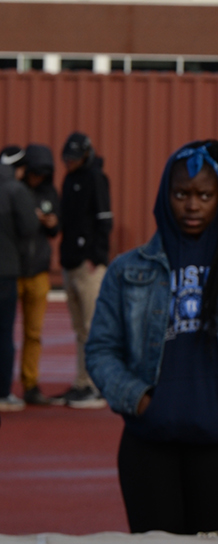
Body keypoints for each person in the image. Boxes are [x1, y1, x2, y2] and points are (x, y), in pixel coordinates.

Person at [85, 137, 218, 534]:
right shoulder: (127, 271)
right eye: (181, 194)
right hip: (148, 442)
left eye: (205, 195)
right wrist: (139, 400)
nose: (192, 205)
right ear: (165, 193)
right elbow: (101, 350)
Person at [58, 131, 112, 409]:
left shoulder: (96, 178)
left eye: (74, 157)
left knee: (93, 326)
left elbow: (104, 218)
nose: (69, 162)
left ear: (86, 155)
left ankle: (94, 384)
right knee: (79, 327)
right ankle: (81, 381)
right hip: (70, 262)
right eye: (66, 158)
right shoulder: (69, 179)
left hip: (88, 265)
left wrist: (97, 256)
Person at [11, 144, 62, 404]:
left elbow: (57, 227)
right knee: (4, 330)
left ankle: (30, 383)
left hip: (39, 271)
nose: (37, 178)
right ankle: (4, 384)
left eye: (43, 174)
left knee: (34, 332)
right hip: (13, 270)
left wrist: (52, 223)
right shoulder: (15, 191)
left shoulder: (49, 192)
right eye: (34, 173)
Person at [0, 148, 39, 411]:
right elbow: (29, 227)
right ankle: (3, 392)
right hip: (6, 270)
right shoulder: (16, 190)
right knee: (4, 334)